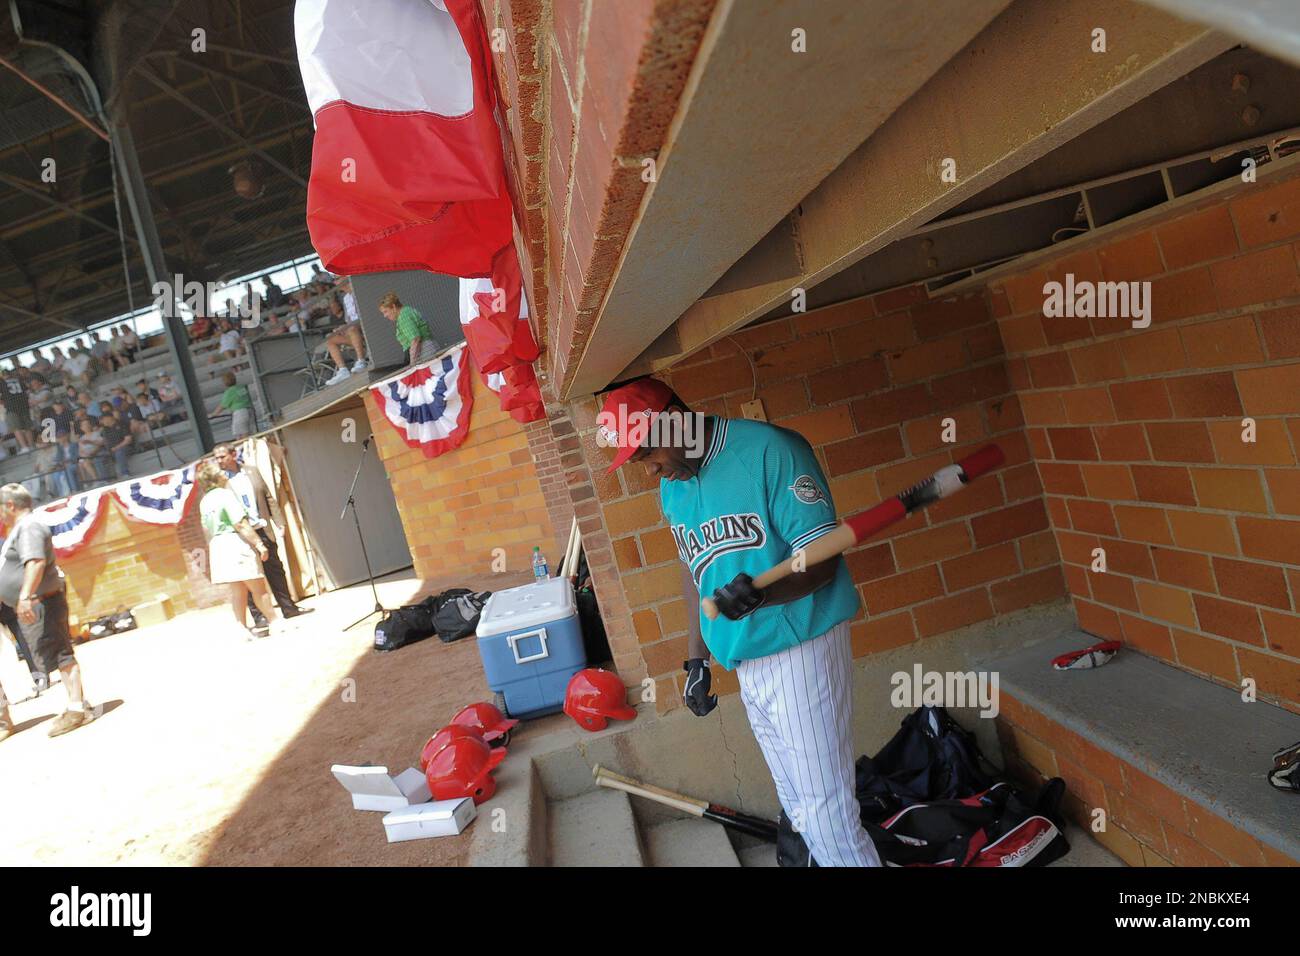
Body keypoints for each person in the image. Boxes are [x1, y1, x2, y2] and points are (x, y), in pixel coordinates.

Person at [599, 377, 881, 867]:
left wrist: (763, 593)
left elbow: (823, 560)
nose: (649, 471)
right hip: (745, 658)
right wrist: (696, 659)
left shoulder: (770, 450)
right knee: (798, 805)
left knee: (826, 811)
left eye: (646, 454)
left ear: (673, 421)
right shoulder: (674, 488)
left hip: (800, 645)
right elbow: (696, 571)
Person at [0, 483, 92, 740]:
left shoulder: (28, 527)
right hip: (39, 599)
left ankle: (77, 708)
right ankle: (76, 707)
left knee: (62, 654)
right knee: (58, 655)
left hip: (43, 600)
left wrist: (25, 596)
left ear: (10, 506)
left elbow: (36, 562)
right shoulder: (20, 529)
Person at [213, 443, 309, 621]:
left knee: (275, 570)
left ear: (233, 455)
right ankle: (260, 618)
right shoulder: (220, 481)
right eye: (216, 457)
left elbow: (268, 497)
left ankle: (289, 608)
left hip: (263, 528)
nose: (219, 460)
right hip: (241, 536)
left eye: (222, 456)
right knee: (247, 576)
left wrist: (279, 521)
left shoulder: (251, 471)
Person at [196, 460, 280, 641]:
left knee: (238, 590)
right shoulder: (224, 495)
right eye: (221, 471)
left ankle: (241, 628)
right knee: (258, 587)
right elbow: (240, 523)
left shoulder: (204, 501)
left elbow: (206, 530)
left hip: (218, 545)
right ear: (215, 477)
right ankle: (275, 622)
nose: (224, 472)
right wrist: (259, 544)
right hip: (234, 542)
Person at [323, 291, 370, 386]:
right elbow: (348, 320)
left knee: (352, 328)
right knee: (329, 338)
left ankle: (361, 361)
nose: (336, 282)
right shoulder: (345, 297)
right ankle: (343, 370)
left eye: (337, 279)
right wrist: (342, 328)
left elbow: (364, 315)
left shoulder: (358, 291)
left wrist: (347, 327)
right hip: (353, 332)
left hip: (365, 329)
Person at [379, 291, 432, 367]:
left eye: (386, 311)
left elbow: (415, 339)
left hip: (423, 353)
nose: (385, 316)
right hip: (425, 350)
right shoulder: (407, 310)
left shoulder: (403, 316)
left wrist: (412, 364)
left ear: (393, 307)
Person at [1, 368, 33, 452]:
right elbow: (28, 391)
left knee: (16, 429)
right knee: (27, 427)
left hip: (11, 408)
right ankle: (31, 445)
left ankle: (25, 447)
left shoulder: (2, 383)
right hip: (24, 406)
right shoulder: (19, 380)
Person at [212, 372, 253, 438]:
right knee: (247, 431)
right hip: (249, 410)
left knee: (241, 434)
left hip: (240, 413)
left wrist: (214, 414)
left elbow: (223, 405)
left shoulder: (229, 392)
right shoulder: (242, 387)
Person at [99, 412, 133, 478]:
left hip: (125, 447)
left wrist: (116, 447)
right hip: (111, 450)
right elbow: (103, 442)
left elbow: (128, 440)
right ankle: (105, 479)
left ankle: (125, 473)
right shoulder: (105, 429)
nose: (102, 422)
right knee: (100, 456)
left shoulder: (122, 424)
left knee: (119, 452)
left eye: (103, 419)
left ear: (109, 418)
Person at [75, 419, 106, 484]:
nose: (87, 426)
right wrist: (85, 455)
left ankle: (98, 480)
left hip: (97, 453)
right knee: (81, 464)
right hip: (86, 456)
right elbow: (80, 451)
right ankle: (86, 483)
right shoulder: (81, 438)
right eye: (84, 425)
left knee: (87, 462)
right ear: (81, 428)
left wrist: (90, 442)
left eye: (88, 424)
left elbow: (101, 443)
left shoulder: (96, 433)